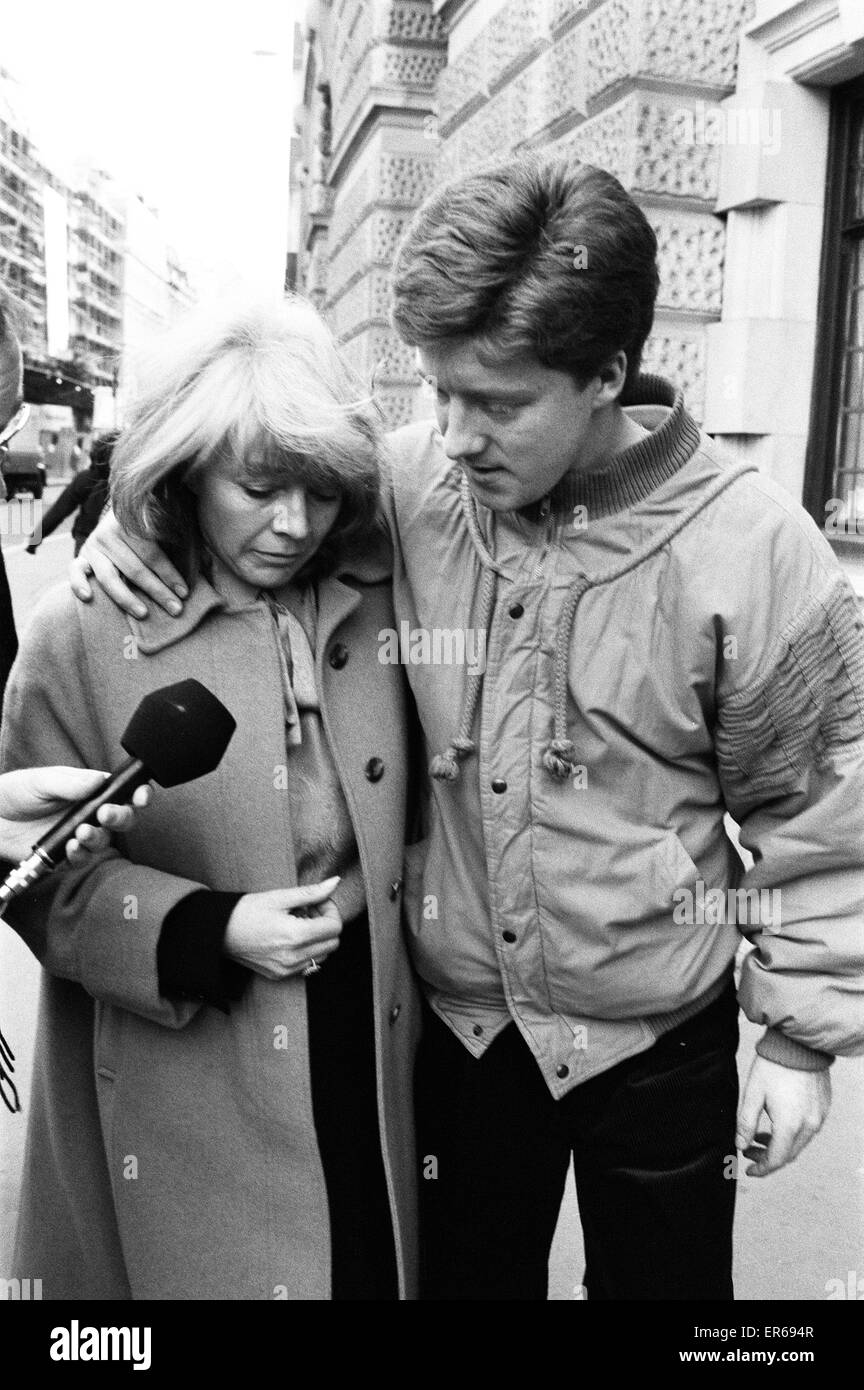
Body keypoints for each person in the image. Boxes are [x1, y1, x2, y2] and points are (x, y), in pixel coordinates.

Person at [72, 157, 864, 1301]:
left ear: (606, 374)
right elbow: (255, 495)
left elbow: (822, 811)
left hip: (659, 1041)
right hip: (462, 1034)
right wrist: (138, 522)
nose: (451, 435)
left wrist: (798, 1040)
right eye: (437, 393)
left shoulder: (758, 549)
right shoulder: (401, 490)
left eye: (493, 403)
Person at [3, 296, 420, 1300]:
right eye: (260, 487)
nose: (293, 524)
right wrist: (213, 929)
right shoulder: (86, 628)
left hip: (364, 1048)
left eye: (321, 492)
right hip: (179, 1071)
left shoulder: (384, 593)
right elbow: (34, 877)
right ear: (188, 467)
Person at [26, 431, 115, 557]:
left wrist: (34, 541)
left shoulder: (86, 479)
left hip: (86, 541)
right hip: (116, 545)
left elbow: (59, 511)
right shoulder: (129, 483)